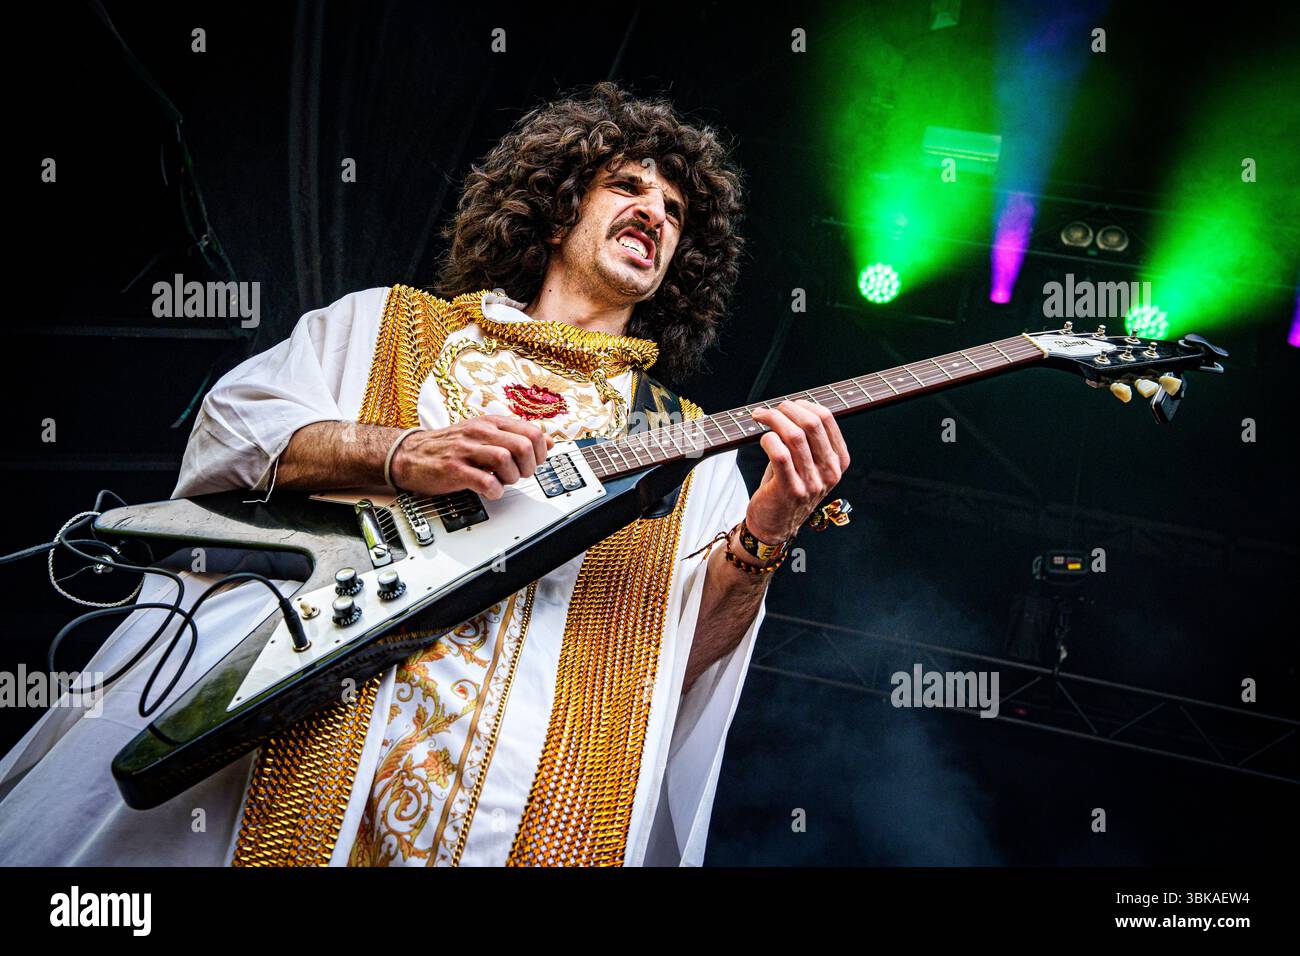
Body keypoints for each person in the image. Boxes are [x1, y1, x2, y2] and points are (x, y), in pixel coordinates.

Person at [0, 82, 849, 866]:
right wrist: (399, 453)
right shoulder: (387, 325)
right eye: (628, 187)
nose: (655, 215)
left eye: (674, 212)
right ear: (556, 213)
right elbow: (235, 428)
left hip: (510, 824)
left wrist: (768, 533)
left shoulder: (687, 446)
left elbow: (674, 663)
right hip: (278, 730)